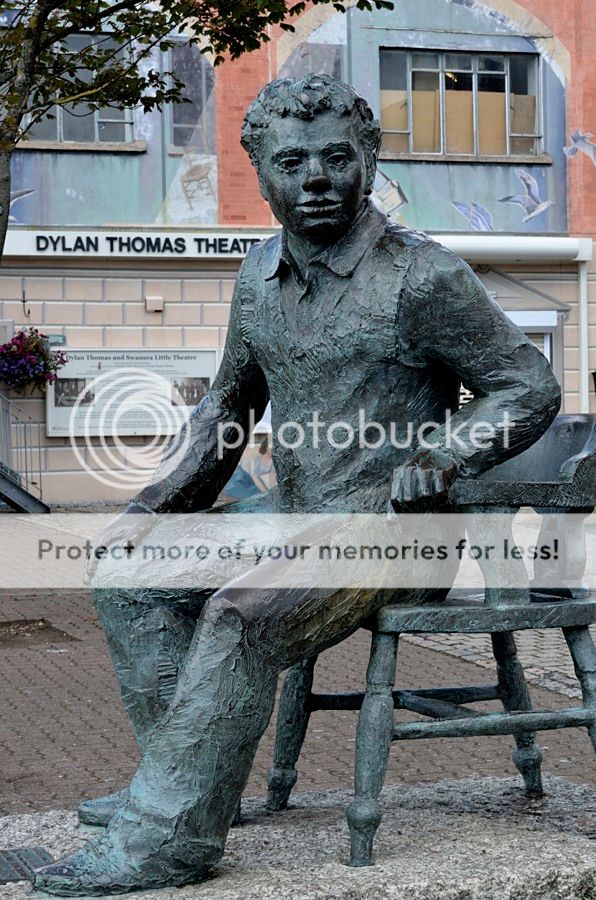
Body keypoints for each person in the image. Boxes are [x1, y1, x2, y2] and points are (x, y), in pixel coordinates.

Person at [33, 74, 560, 895]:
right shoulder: (257, 279)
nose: (314, 179)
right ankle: (184, 790)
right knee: (126, 571)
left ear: (368, 160)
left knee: (240, 613)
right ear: (263, 174)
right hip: (295, 515)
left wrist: (447, 453)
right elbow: (225, 411)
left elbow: (525, 385)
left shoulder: (423, 278)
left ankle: (169, 839)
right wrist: (149, 508)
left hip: (396, 530)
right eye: (292, 163)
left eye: (335, 159)